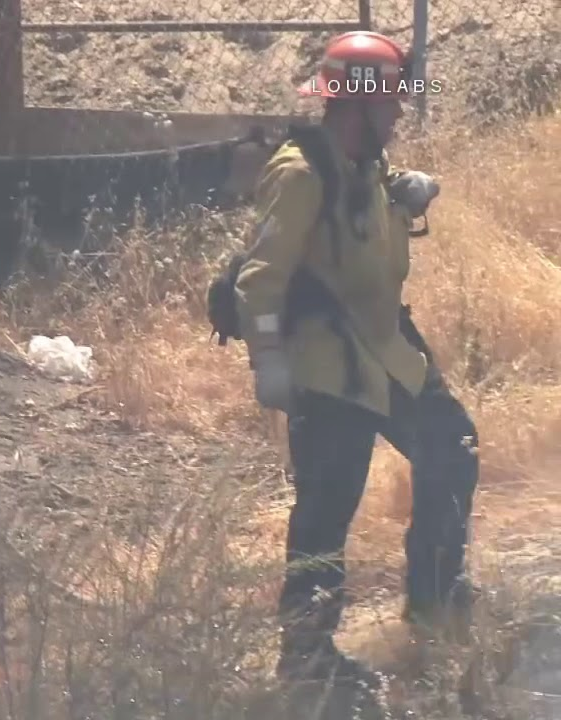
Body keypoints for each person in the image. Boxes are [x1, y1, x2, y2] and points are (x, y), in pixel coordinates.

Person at [232, 31, 479, 688]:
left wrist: (404, 187)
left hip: (387, 353)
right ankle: (307, 663)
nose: (399, 112)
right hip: (329, 371)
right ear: (357, 106)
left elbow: (369, 188)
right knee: (325, 517)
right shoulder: (299, 173)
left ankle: (434, 601)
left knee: (452, 448)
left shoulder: (363, 159)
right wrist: (268, 362)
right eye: (391, 102)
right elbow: (258, 281)